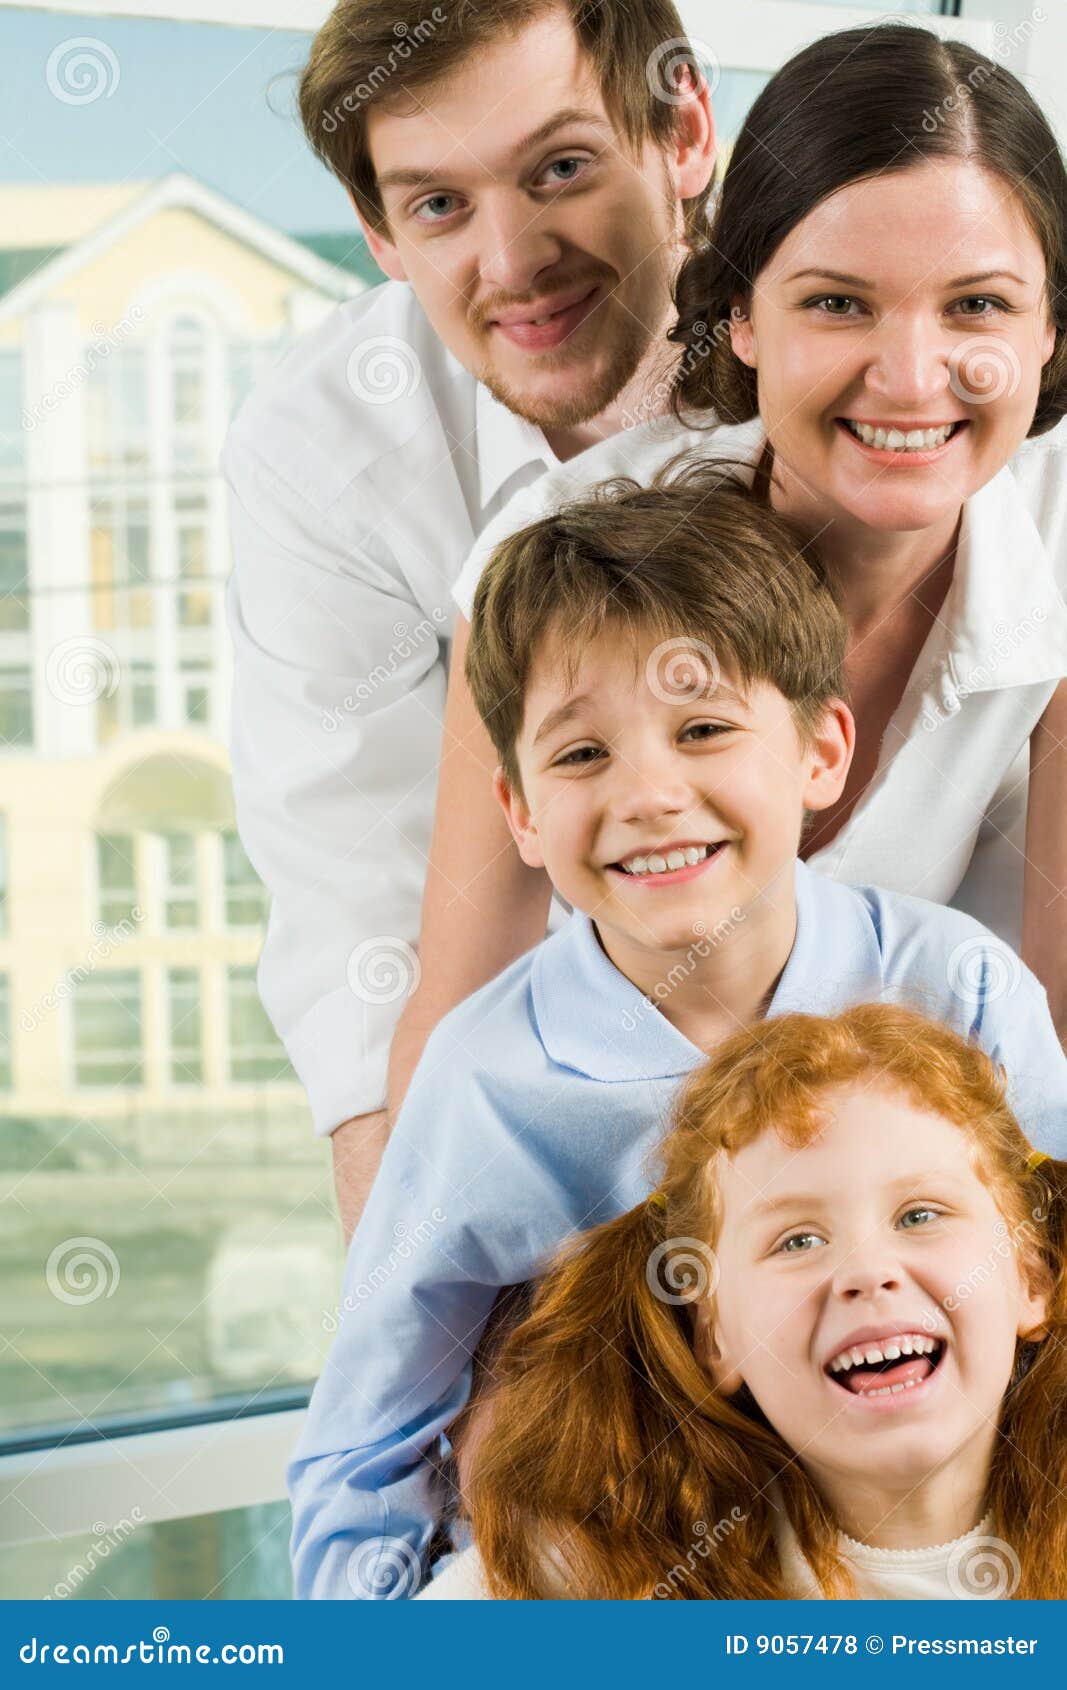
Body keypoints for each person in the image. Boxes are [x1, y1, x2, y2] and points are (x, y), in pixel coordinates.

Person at [285, 470, 1067, 1599]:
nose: (648, 794)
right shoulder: (486, 1077)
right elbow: (367, 1433)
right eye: (581, 754)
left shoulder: (953, 983)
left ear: (817, 751)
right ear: (516, 810)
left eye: (701, 729)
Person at [394, 21, 1067, 1157]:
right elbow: (464, 1012)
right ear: (741, 317)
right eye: (836, 304)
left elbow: (1055, 1049)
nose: (909, 379)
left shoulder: (1051, 556)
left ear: (1050, 328)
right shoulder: (559, 551)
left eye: (977, 306)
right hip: (602, 1203)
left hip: (908, 1215)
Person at [221, 0, 716, 1237]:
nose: (512, 263)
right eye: (437, 204)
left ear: (682, 131)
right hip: (553, 1108)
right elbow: (363, 923)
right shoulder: (325, 449)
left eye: (559, 169)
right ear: (379, 234)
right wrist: (418, 1352)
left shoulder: (852, 357)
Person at [419, 1003, 1067, 1600]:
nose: (866, 1273)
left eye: (920, 1214)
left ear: (1031, 1278)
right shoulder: (604, 1571)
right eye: (797, 1240)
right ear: (715, 1337)